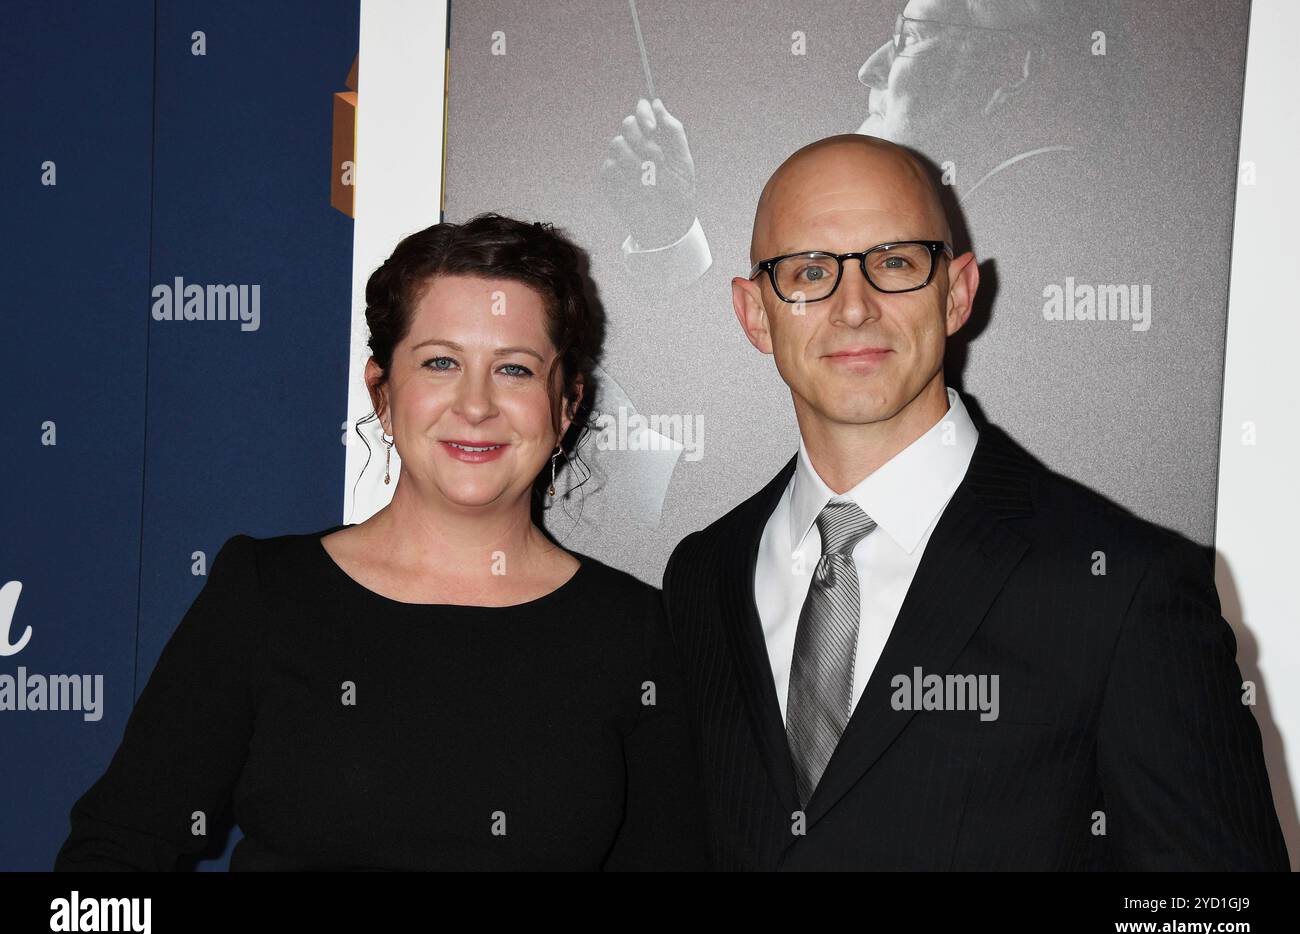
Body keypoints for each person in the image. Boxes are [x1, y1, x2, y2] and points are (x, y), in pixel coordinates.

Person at [660, 134, 1289, 870]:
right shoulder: (703, 575)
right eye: (808, 271)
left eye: (894, 263)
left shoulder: (1122, 589)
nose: (854, 307)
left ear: (956, 291)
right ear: (755, 313)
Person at [54, 214, 708, 871]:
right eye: (441, 362)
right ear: (384, 392)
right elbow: (106, 868)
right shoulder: (266, 594)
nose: (475, 404)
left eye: (513, 368)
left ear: (566, 407)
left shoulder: (631, 632)